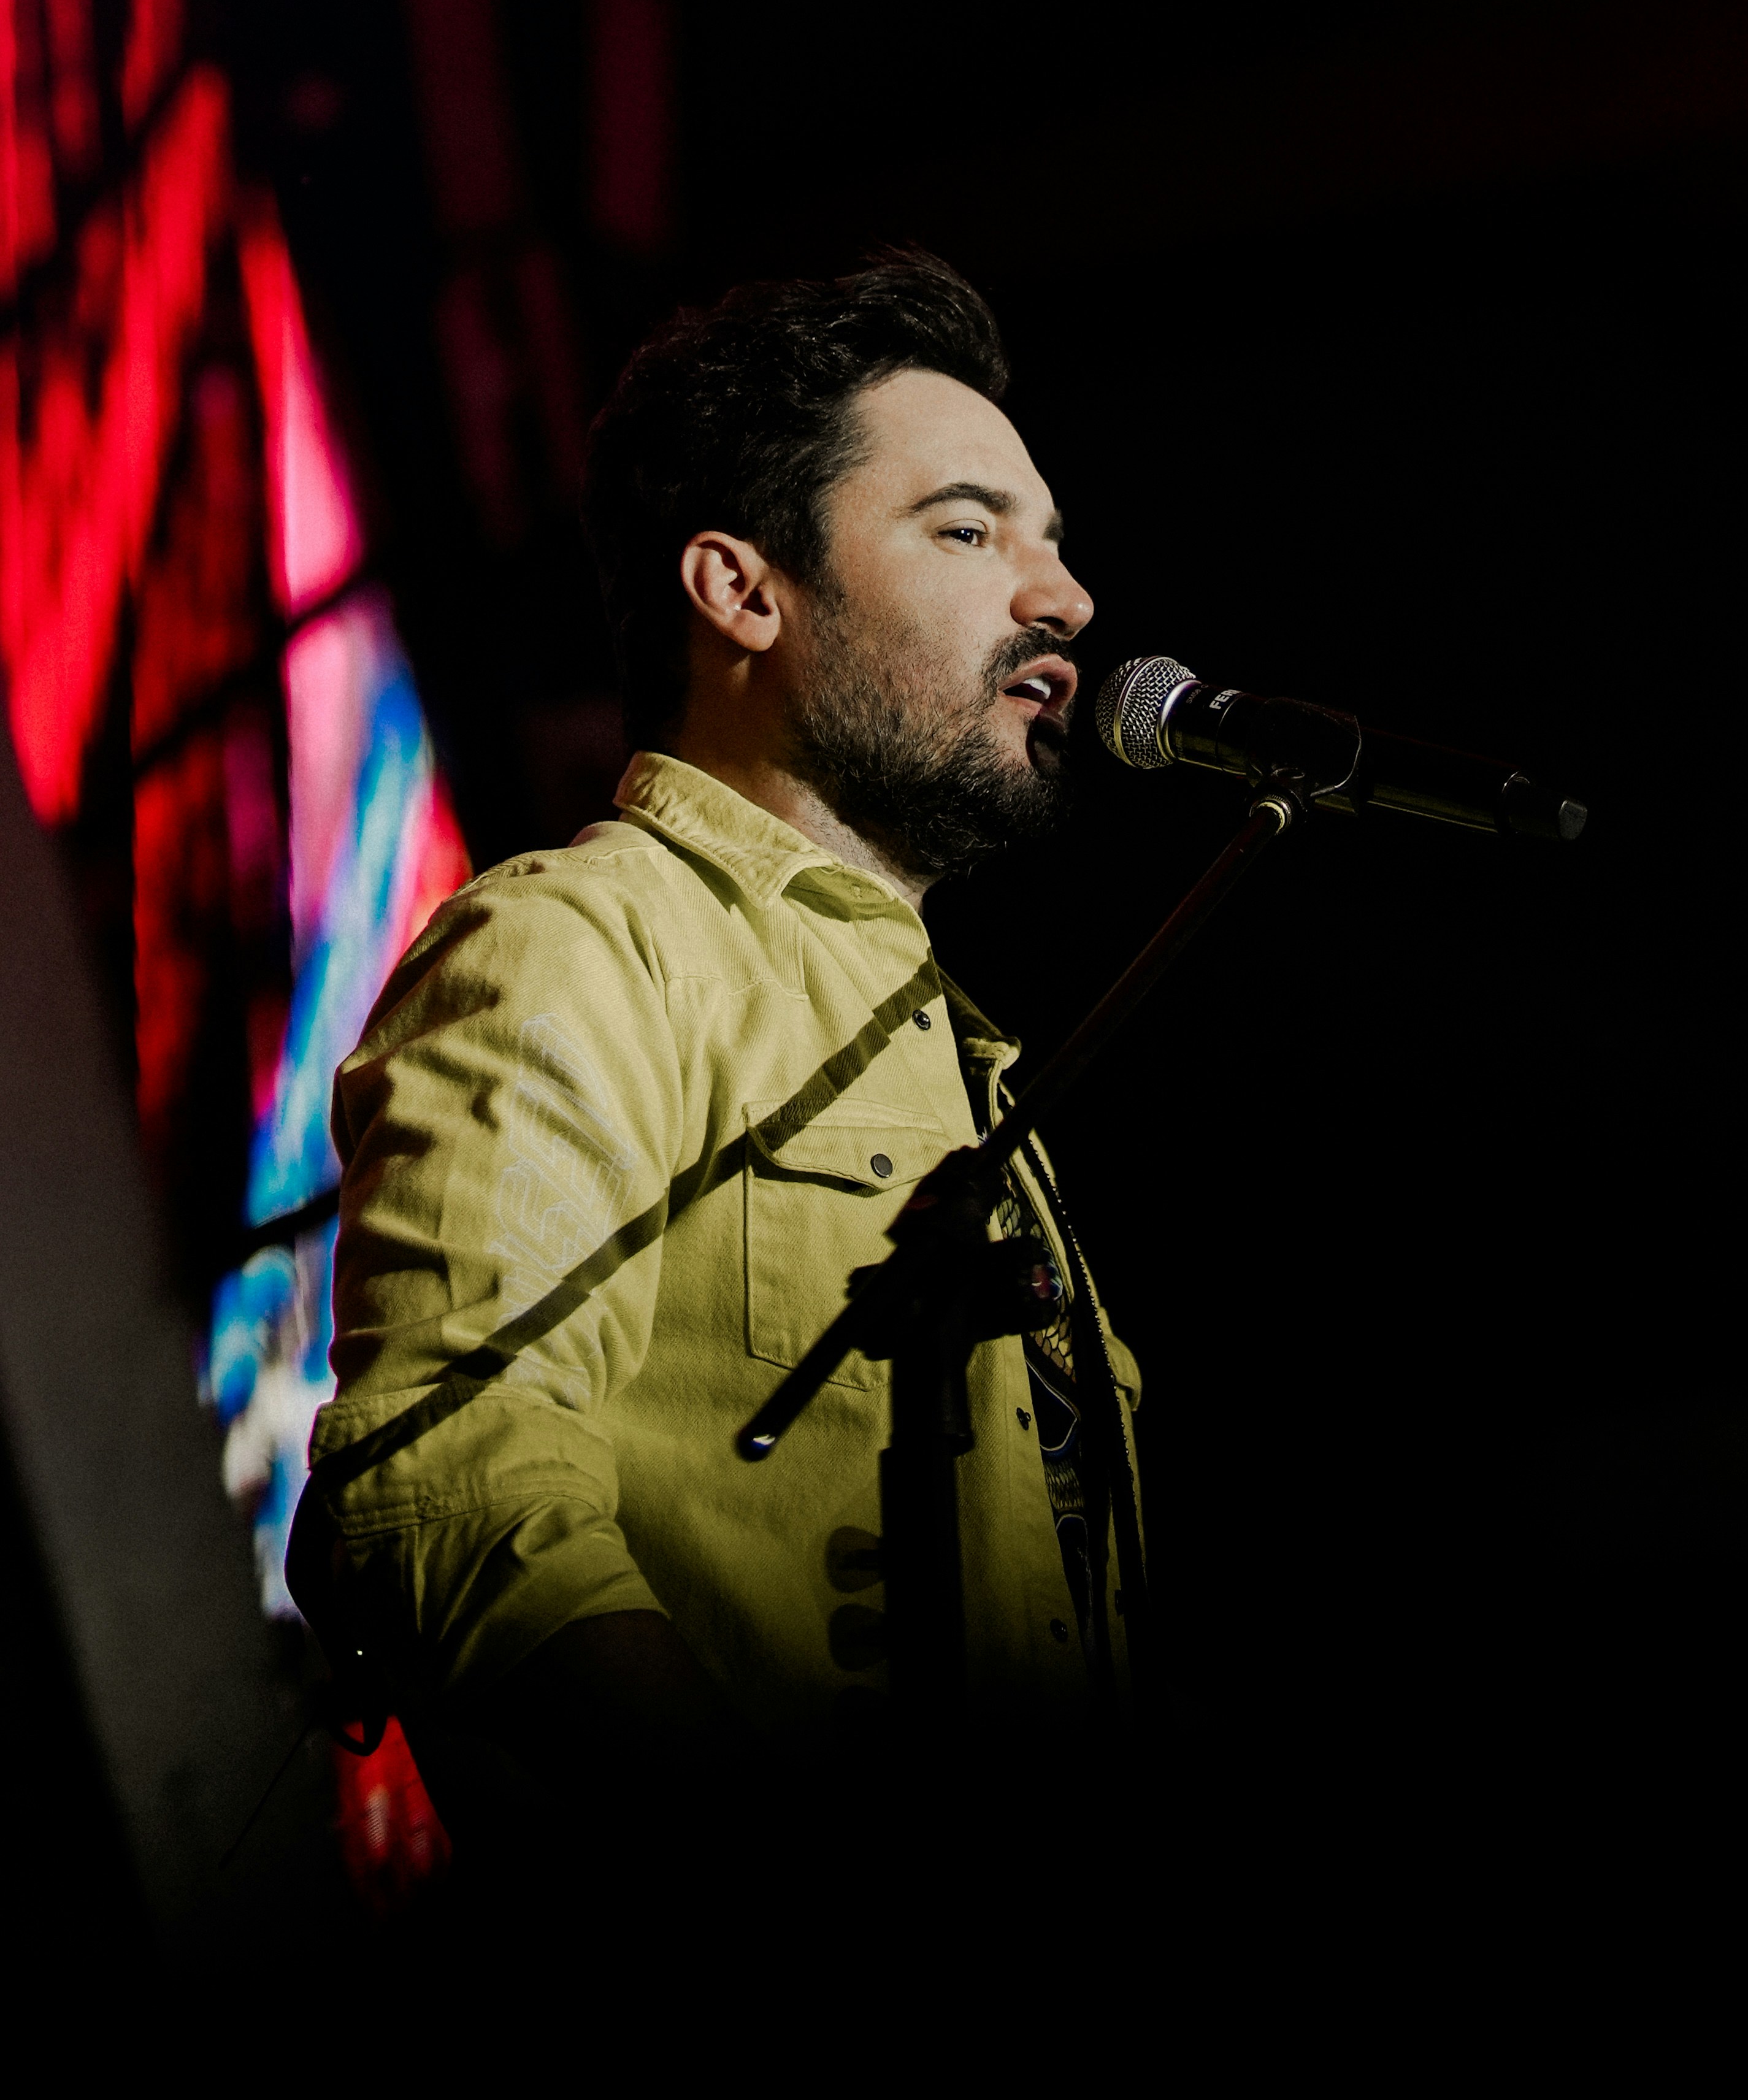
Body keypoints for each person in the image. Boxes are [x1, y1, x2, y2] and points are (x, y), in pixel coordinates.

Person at [293, 249, 1144, 1832]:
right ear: (742, 591)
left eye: (1049, 539)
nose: (1062, 597)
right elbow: (439, 1486)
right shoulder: (583, 945)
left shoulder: (960, 1058)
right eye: (968, 530)